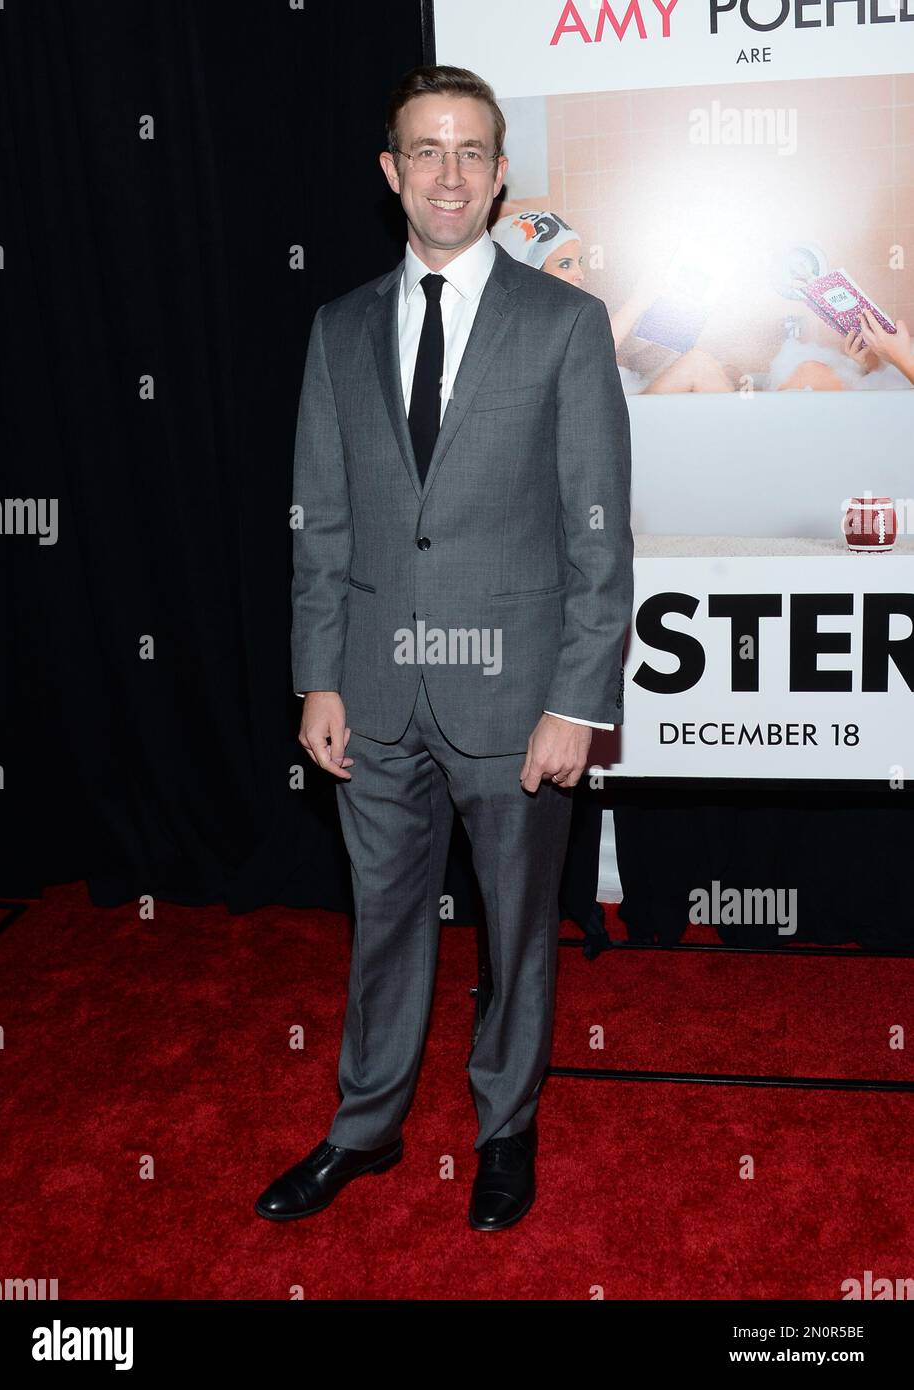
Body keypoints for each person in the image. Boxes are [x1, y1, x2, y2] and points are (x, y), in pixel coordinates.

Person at [255, 65, 633, 1232]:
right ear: (390, 172)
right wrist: (317, 673)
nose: (449, 174)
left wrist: (577, 698)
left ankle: (504, 1129)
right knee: (382, 925)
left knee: (518, 934)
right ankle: (363, 1127)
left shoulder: (565, 323)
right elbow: (320, 515)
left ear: (502, 170)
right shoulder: (338, 327)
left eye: (472, 151)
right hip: (372, 692)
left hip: (517, 699)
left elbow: (598, 527)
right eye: (426, 150)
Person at [490, 211, 735, 394]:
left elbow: (611, 360)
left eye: (579, 262)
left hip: (631, 415)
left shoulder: (565, 322)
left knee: (699, 359)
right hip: (617, 435)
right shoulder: (516, 334)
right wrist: (640, 299)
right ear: (529, 273)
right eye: (565, 264)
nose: (580, 274)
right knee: (697, 365)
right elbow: (588, 359)